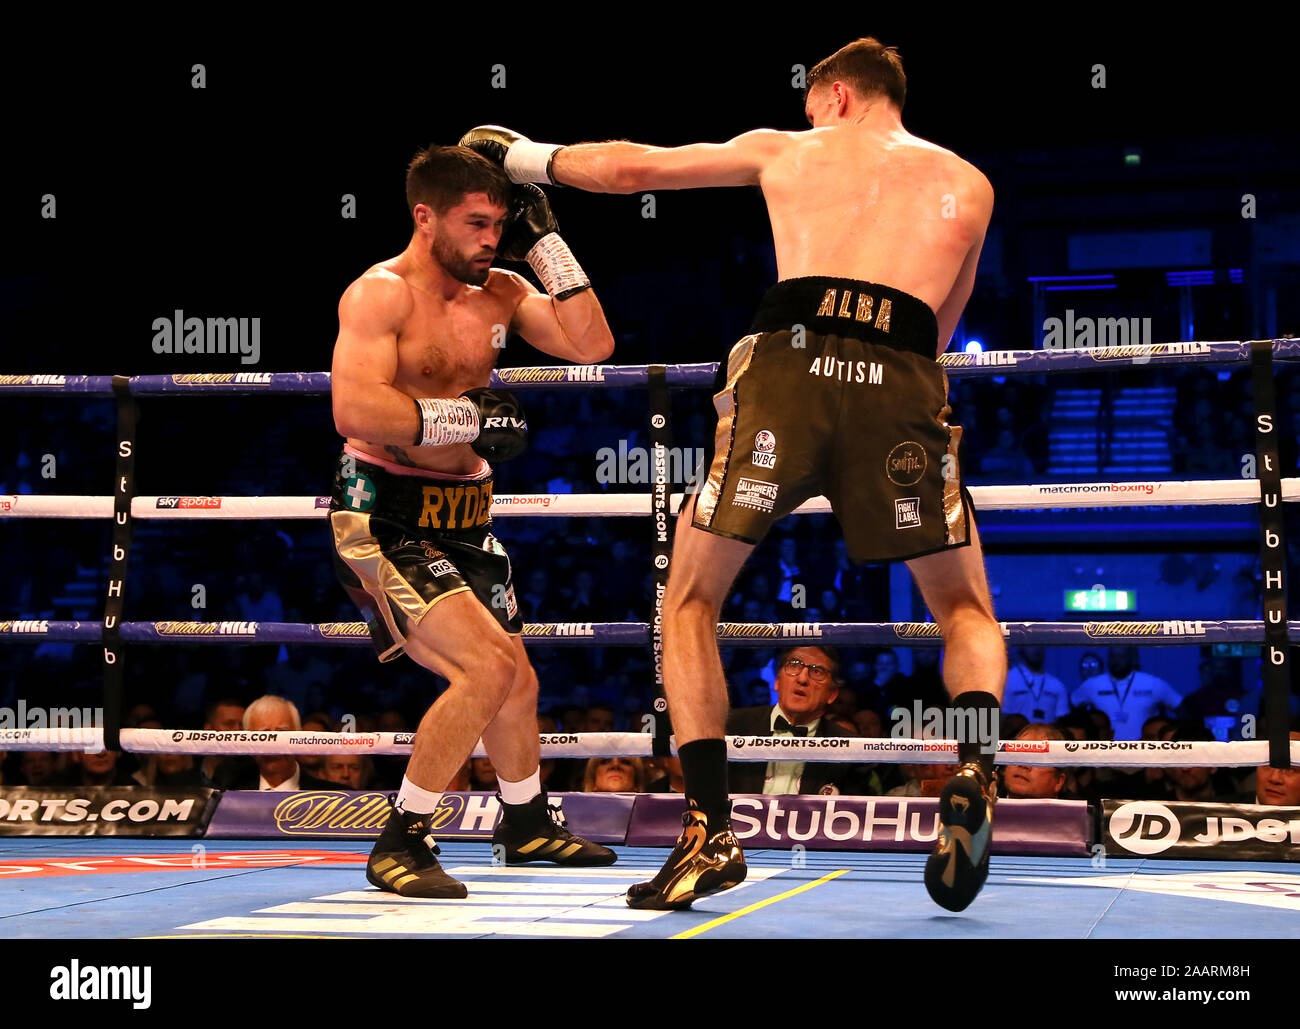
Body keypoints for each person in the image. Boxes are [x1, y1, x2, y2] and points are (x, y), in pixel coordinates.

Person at [463, 35, 1004, 911]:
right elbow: (939, 329)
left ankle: (711, 830)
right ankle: (977, 764)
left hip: (789, 364)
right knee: (965, 607)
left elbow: (634, 169)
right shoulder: (970, 183)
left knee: (689, 598)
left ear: (832, 95)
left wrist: (524, 157)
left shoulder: (790, 148)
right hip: (902, 376)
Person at [328, 145, 617, 897]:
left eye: (502, 223)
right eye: (476, 223)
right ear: (425, 217)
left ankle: (524, 822)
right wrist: (463, 415)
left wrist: (549, 242)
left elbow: (593, 344)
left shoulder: (503, 289)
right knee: (484, 668)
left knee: (517, 679)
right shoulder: (379, 295)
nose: (492, 238)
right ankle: (401, 838)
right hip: (383, 517)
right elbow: (355, 408)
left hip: (466, 516)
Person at [726, 645, 867, 796]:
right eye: (794, 666)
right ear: (777, 681)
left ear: (831, 694)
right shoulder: (731, 725)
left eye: (817, 672)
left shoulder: (850, 749)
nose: (802, 679)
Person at [1072, 647, 1181, 741]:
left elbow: (1180, 707)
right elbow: (1071, 708)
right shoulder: (1092, 684)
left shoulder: (1151, 683)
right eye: (1112, 657)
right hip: (1104, 753)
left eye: (1121, 656)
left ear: (1131, 659)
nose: (1116, 661)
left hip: (1144, 752)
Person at [1002, 646, 1070, 723]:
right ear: (1021, 649)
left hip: (1048, 733)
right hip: (1015, 734)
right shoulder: (1007, 680)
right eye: (1031, 645)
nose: (1037, 649)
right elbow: (1003, 716)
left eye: (1040, 645)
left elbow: (1061, 719)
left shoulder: (1057, 685)